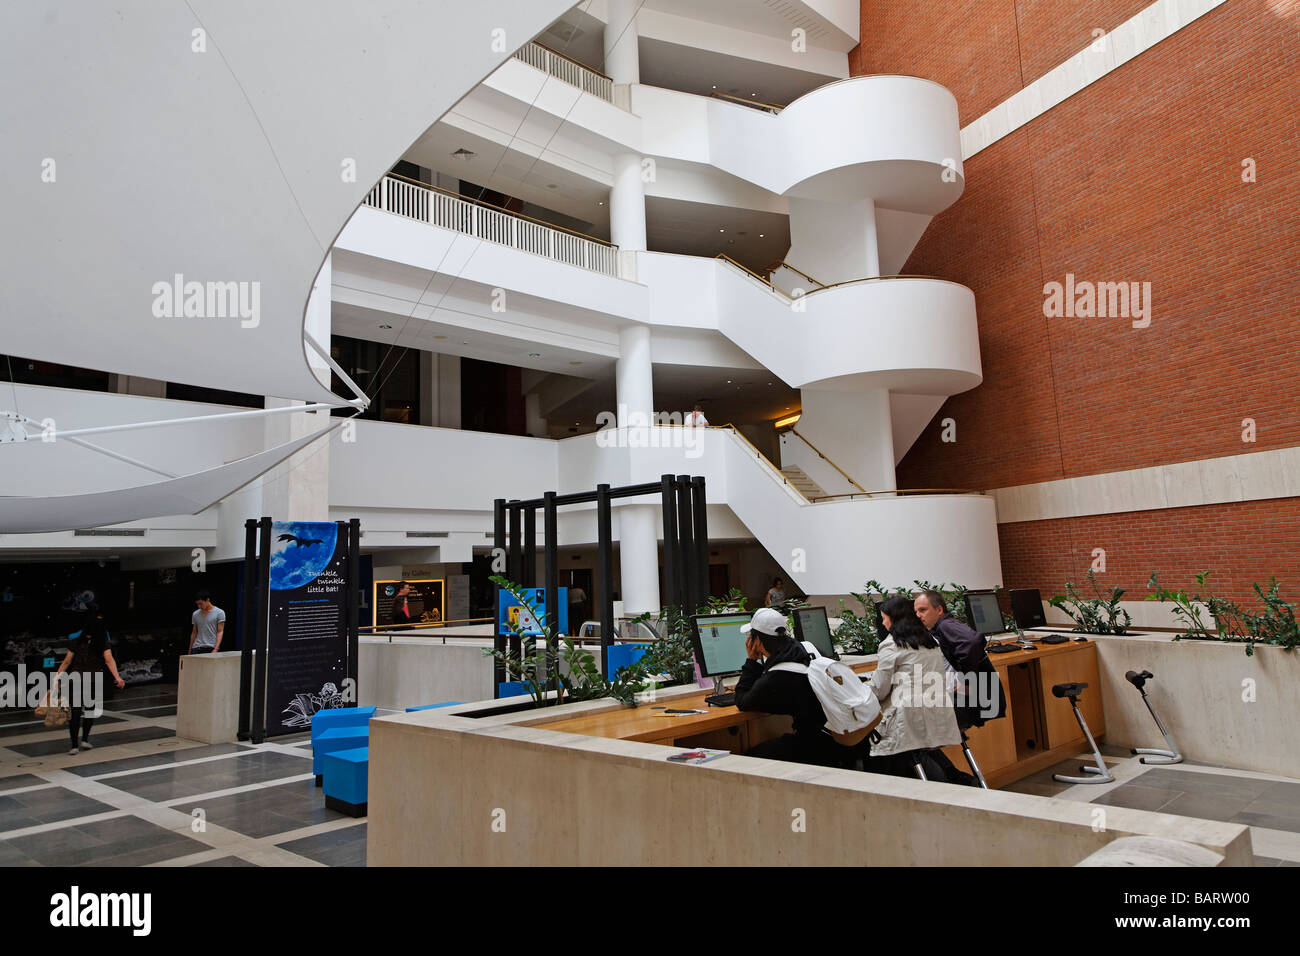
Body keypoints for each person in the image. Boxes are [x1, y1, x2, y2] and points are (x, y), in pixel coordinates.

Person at [733, 607, 843, 768]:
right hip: (838, 740)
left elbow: (742, 701)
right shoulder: (809, 650)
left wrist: (751, 661)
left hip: (815, 749)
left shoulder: (776, 677)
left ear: (756, 641)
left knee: (747, 761)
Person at [865, 596, 962, 778]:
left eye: (884, 617)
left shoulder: (890, 645)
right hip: (937, 714)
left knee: (864, 741)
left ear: (894, 619)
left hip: (907, 720)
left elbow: (879, 690)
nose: (883, 623)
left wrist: (862, 689)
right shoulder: (930, 641)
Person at [914, 589, 1005, 728]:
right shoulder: (940, 628)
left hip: (980, 697)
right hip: (983, 695)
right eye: (916, 612)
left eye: (923, 610)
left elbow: (972, 642)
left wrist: (967, 682)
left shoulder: (946, 625)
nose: (918, 615)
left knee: (918, 721)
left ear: (939, 610)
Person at [54, 608, 125, 754]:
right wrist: (117, 677)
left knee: (75, 712)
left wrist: (57, 676)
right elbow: (109, 660)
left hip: (76, 679)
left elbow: (67, 661)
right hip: (93, 680)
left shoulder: (77, 641)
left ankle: (74, 746)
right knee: (90, 711)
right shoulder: (102, 642)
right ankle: (85, 739)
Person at [189, 590, 225, 654]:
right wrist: (190, 649)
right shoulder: (195, 614)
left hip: (211, 646)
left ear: (207, 600)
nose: (199, 606)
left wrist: (216, 648)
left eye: (201, 603)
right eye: (197, 604)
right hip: (197, 646)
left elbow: (220, 631)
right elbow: (194, 632)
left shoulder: (219, 612)